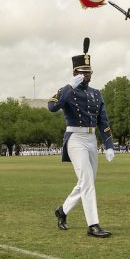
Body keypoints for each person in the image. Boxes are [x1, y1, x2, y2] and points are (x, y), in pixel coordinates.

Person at [46, 38, 115, 237]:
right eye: (84, 72)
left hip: (91, 139)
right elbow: (52, 106)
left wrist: (109, 144)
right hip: (75, 138)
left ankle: (63, 211)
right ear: (75, 73)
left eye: (89, 71)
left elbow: (103, 121)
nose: (88, 75)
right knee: (87, 180)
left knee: (87, 181)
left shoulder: (96, 94)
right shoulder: (68, 92)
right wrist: (68, 86)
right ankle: (93, 225)